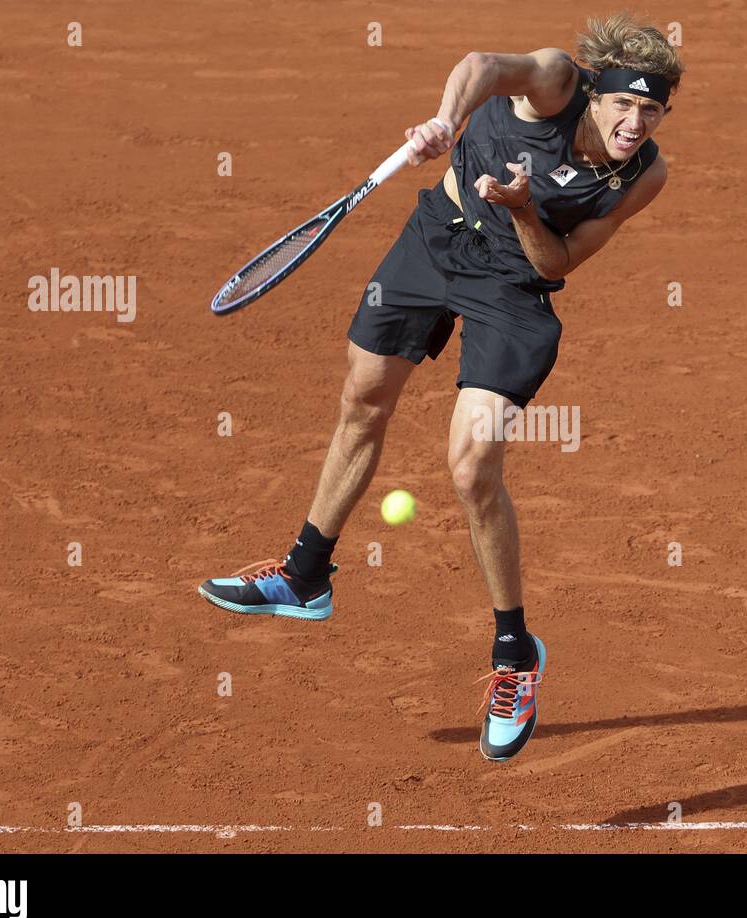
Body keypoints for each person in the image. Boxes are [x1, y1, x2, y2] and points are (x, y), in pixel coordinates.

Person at [199, 13, 685, 761]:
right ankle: (305, 576)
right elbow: (482, 63)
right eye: (624, 103)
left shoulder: (643, 173)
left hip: (513, 285)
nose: (634, 121)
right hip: (438, 236)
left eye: (651, 111)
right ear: (596, 92)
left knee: (471, 466)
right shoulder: (556, 79)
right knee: (362, 398)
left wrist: (523, 206)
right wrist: (446, 123)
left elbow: (559, 263)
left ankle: (515, 655)